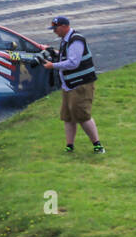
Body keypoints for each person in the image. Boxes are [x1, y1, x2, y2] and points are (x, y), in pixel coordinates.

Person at [41, 16, 104, 154]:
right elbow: (67, 56)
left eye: (55, 28)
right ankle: (70, 146)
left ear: (64, 26)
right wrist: (53, 52)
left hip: (80, 84)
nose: (54, 32)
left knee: (82, 116)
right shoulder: (66, 40)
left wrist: (53, 65)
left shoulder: (76, 40)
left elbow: (73, 62)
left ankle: (98, 146)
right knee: (68, 117)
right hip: (69, 85)